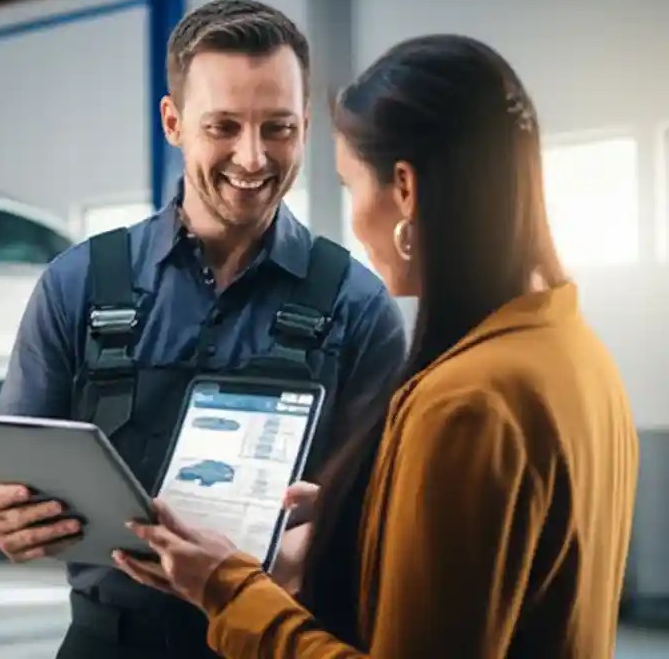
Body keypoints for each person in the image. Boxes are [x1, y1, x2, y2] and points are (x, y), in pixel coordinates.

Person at [114, 33, 640, 658]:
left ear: (406, 190)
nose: (355, 218)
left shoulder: (465, 403)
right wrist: (365, 516)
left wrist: (226, 589)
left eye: (349, 185)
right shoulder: (574, 352)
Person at [0, 0, 409, 658]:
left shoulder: (359, 305)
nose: (254, 158)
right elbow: (16, 457)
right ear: (174, 122)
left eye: (279, 128)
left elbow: (391, 511)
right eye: (224, 126)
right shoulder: (80, 284)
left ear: (308, 126)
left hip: (275, 641)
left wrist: (330, 539)